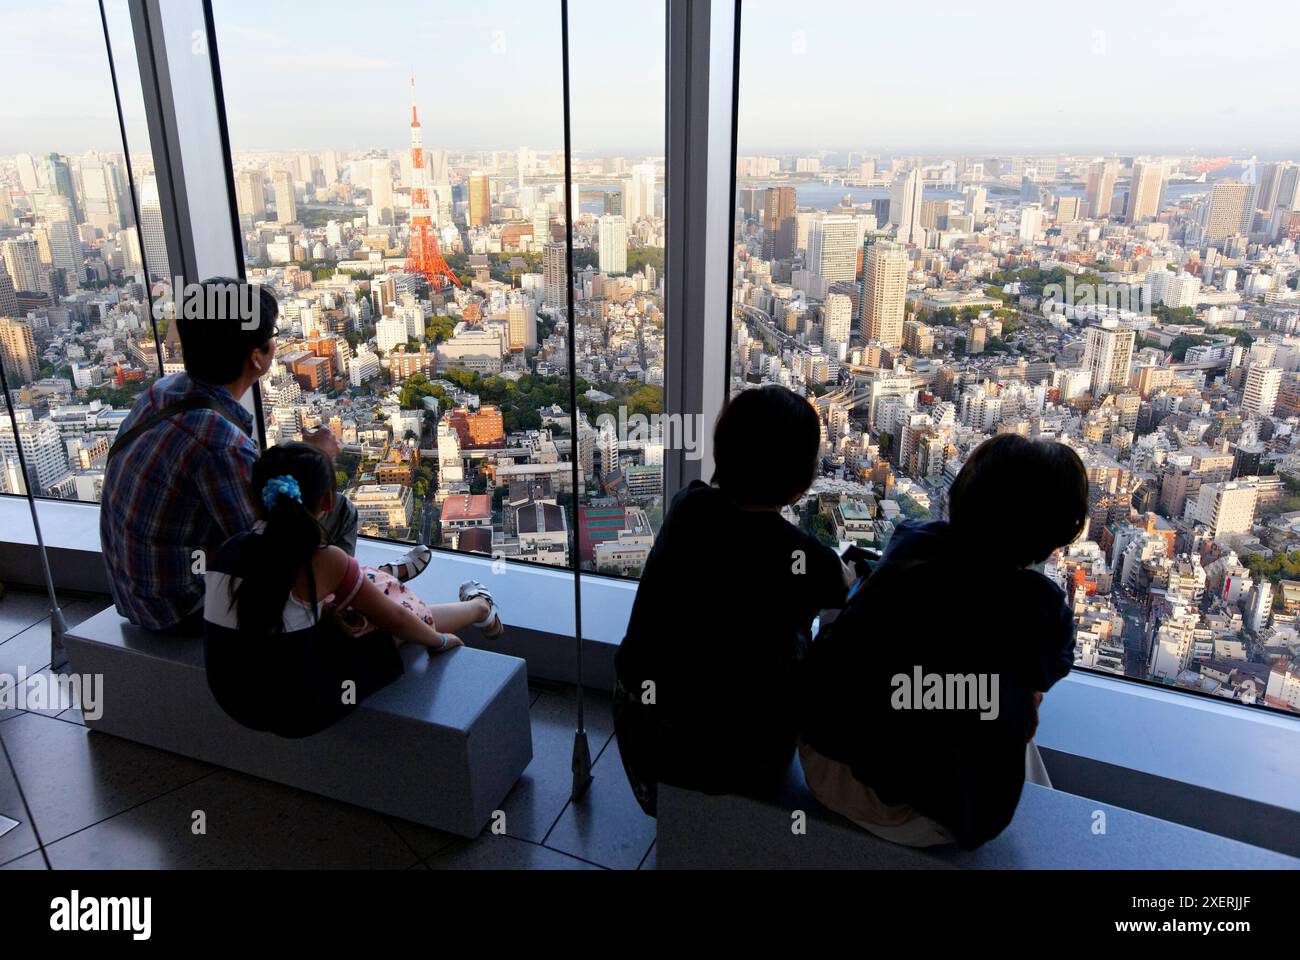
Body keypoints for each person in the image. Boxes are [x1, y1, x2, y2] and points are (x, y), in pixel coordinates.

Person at [798, 433, 1087, 849]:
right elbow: (1052, 665)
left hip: (820, 759)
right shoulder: (1035, 608)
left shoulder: (912, 540)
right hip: (903, 809)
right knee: (1017, 696)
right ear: (1054, 536)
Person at [99, 277, 427, 632]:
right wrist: (315, 459)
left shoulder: (162, 392)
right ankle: (336, 602)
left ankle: (357, 580)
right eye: (272, 336)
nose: (276, 342)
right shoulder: (219, 442)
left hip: (135, 594)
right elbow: (268, 549)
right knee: (340, 511)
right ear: (256, 357)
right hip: (182, 611)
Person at [613, 385, 853, 816]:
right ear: (800, 486)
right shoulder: (804, 558)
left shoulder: (687, 507)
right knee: (830, 627)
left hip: (642, 738)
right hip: (742, 760)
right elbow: (841, 589)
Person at [203, 442, 503, 739]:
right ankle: (479, 608)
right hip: (299, 711)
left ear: (252, 498)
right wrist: (438, 641)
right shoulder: (322, 560)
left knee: (351, 608)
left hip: (233, 701)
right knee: (392, 619)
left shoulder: (229, 548)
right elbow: (398, 620)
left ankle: (381, 578)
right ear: (328, 503)